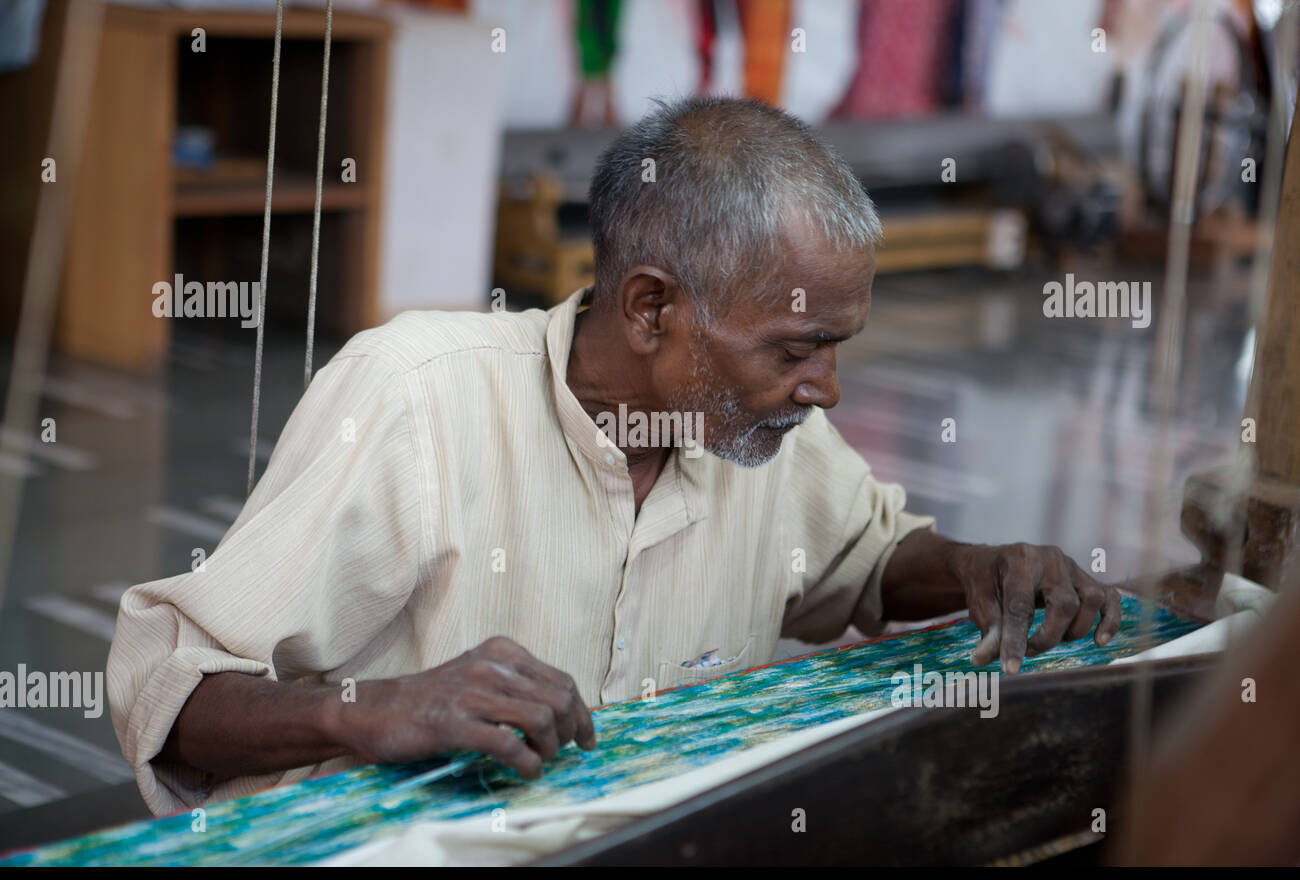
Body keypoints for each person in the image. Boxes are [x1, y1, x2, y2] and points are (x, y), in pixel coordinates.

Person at [108, 97, 1119, 816]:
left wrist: (978, 566)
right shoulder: (416, 395)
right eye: (798, 348)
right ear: (649, 308)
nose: (826, 389)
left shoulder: (751, 423)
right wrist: (371, 707)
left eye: (834, 348)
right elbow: (167, 690)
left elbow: (860, 554)